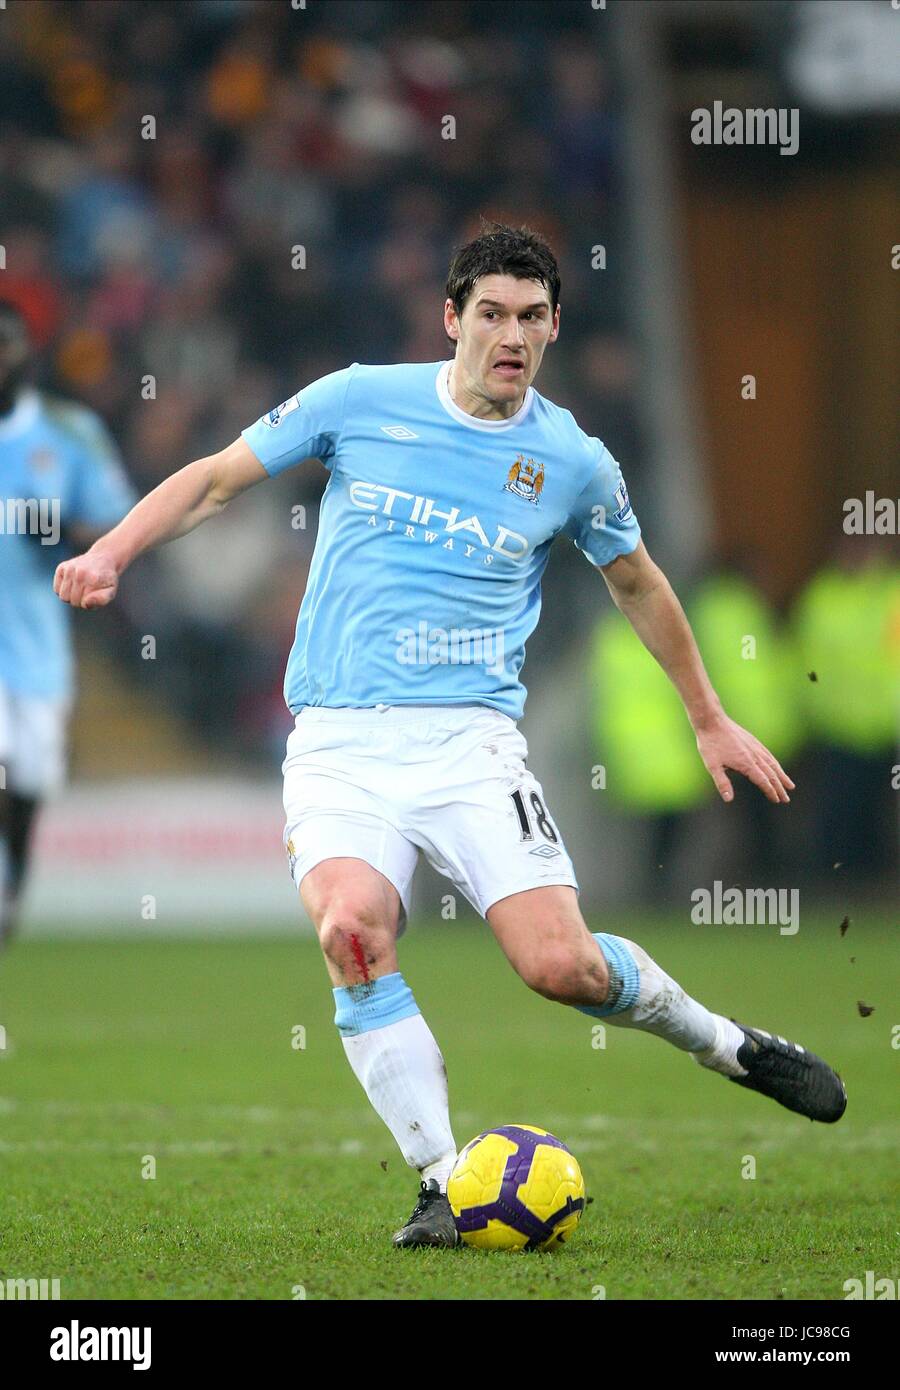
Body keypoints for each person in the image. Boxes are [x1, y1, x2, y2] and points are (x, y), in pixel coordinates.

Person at [53, 223, 847, 1249]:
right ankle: (441, 1179)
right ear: (452, 319)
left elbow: (638, 581)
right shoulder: (357, 400)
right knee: (351, 928)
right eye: (490, 315)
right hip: (340, 739)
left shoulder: (571, 460)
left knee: (560, 967)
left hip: (471, 744)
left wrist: (708, 715)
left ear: (555, 326)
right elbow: (212, 478)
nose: (509, 335)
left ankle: (725, 1043)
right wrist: (113, 551)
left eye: (530, 318)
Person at [0, 301, 134, 943]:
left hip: (36, 645)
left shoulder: (68, 430)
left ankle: (9, 898)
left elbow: (117, 529)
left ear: (24, 350)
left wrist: (49, 528)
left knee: (28, 782)